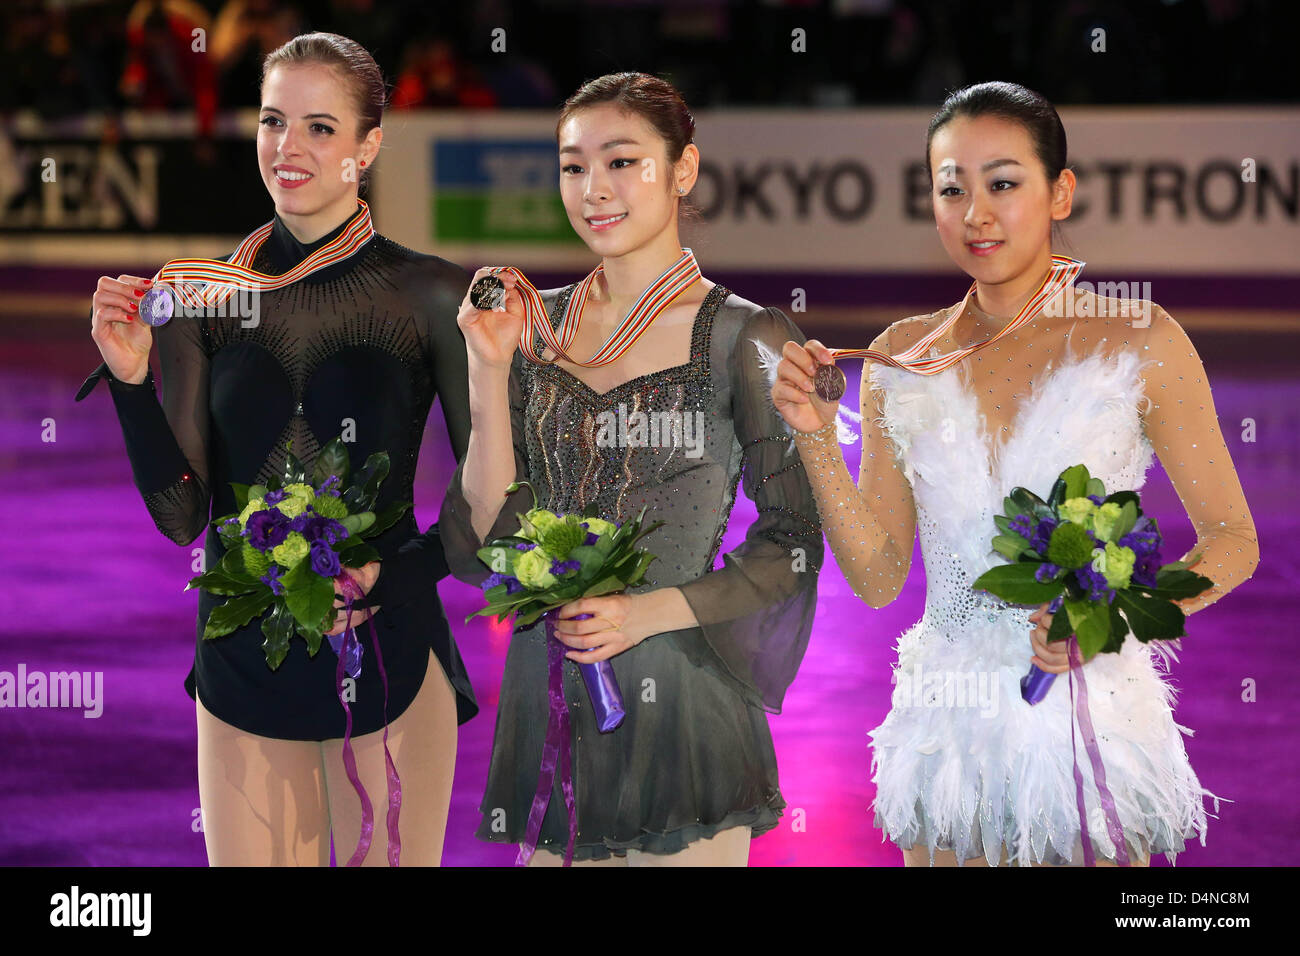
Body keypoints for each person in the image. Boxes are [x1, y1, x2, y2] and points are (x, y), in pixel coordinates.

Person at [771, 81, 1258, 867]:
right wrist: (818, 441)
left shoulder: (1142, 339)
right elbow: (880, 577)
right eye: (951, 188)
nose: (976, 214)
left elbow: (1233, 539)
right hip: (946, 734)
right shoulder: (901, 356)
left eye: (1003, 183)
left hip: (1089, 715)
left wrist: (1111, 621)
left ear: (1060, 192)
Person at [77, 32, 476, 866]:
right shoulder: (202, 294)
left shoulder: (432, 294)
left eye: (320, 127)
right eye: (272, 121)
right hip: (238, 664)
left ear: (368, 145)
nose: (288, 148)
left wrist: (389, 580)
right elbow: (182, 514)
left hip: (386, 654)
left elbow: (491, 506)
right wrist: (126, 383)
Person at [438, 72, 824, 866]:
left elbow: (792, 542)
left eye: (622, 162)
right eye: (573, 166)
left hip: (684, 707)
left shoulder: (744, 336)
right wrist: (485, 367)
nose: (594, 190)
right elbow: (482, 543)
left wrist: (648, 613)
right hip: (547, 705)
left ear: (682, 171)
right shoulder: (524, 326)